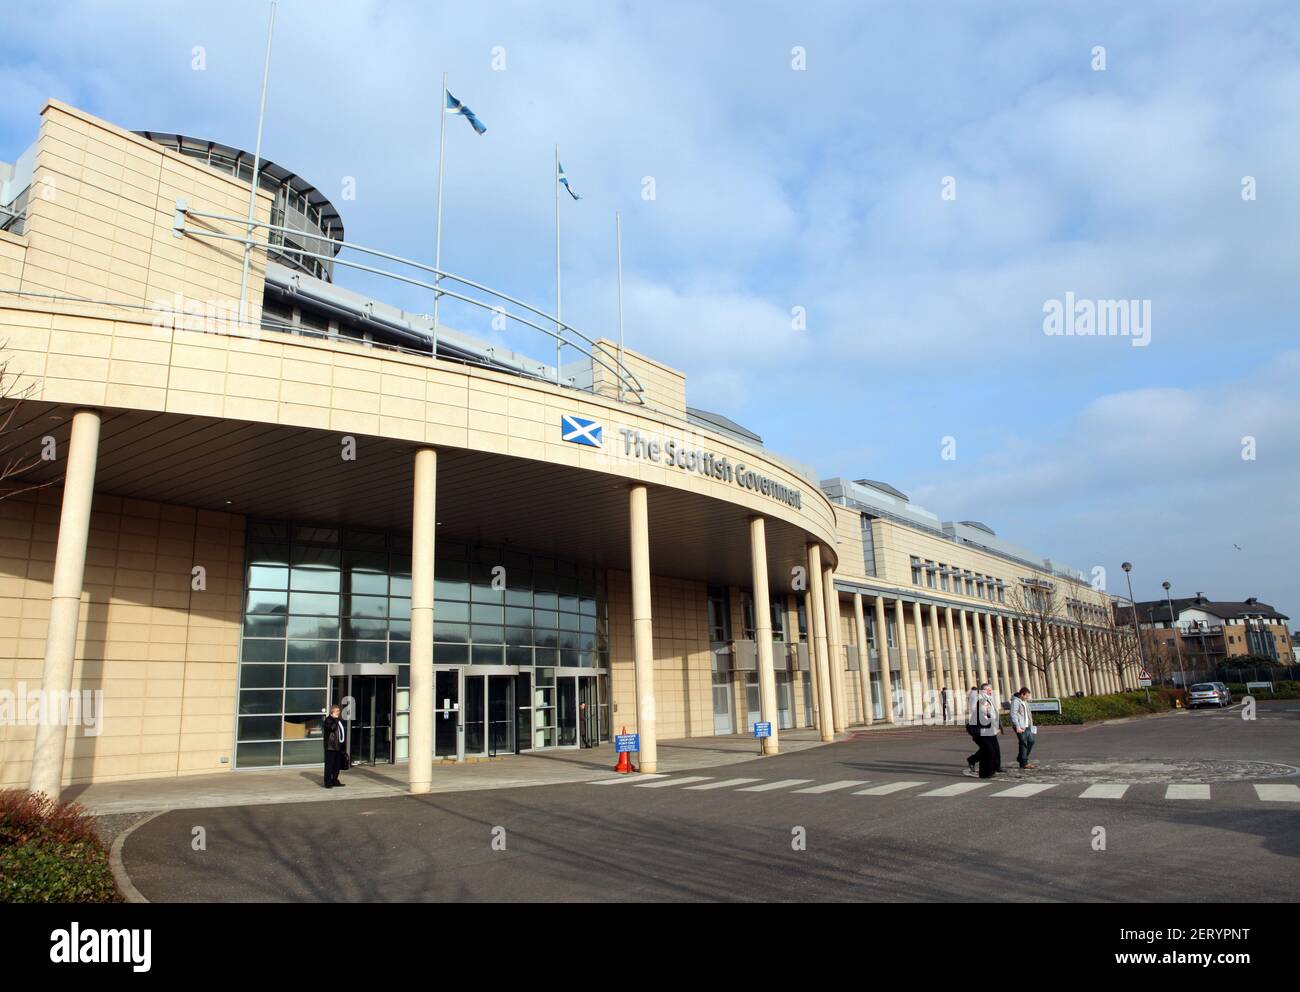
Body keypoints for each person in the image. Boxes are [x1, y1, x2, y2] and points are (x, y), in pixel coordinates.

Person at [974, 683, 1002, 779]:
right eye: (988, 689)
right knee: (988, 750)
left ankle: (992, 769)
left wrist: (997, 726)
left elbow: (993, 713)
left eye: (990, 689)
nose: (990, 691)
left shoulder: (989, 699)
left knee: (993, 749)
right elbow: (983, 713)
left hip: (990, 728)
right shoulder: (981, 700)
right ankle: (985, 772)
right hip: (984, 729)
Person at [1011, 687, 1037, 769]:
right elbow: (1013, 714)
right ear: (1022, 694)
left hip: (1027, 726)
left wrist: (1031, 724)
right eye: (1027, 696)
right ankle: (1024, 763)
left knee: (1031, 741)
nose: (1027, 698)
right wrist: (1017, 726)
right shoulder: (1015, 701)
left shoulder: (1024, 701)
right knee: (1024, 743)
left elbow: (1028, 713)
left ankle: (1021, 758)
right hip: (1020, 726)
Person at [322, 703, 347, 789]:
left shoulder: (338, 720)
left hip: (338, 746)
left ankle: (335, 780)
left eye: (339, 711)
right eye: (337, 711)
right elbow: (331, 728)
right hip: (330, 747)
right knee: (329, 765)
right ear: (332, 712)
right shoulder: (328, 720)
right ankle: (328, 782)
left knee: (336, 766)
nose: (338, 712)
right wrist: (336, 720)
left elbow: (341, 732)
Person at [963, 685, 982, 774]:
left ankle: (973, 760)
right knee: (988, 749)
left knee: (988, 749)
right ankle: (973, 760)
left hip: (983, 730)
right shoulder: (975, 696)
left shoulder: (972, 695)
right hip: (980, 731)